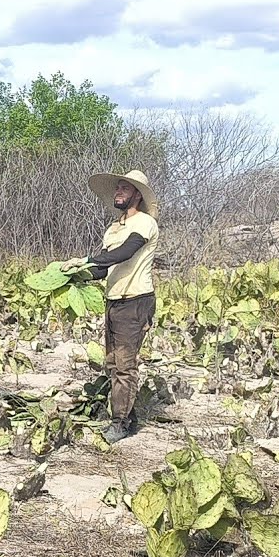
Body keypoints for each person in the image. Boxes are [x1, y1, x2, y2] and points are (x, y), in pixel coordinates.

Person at [62, 169, 159, 444]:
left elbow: (125, 253)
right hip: (114, 300)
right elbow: (104, 268)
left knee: (125, 365)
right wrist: (72, 274)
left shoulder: (145, 223)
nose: (119, 192)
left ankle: (120, 422)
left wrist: (86, 259)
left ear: (137, 195)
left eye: (125, 189)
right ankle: (128, 416)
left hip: (136, 301)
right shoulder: (113, 229)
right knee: (112, 363)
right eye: (118, 188)